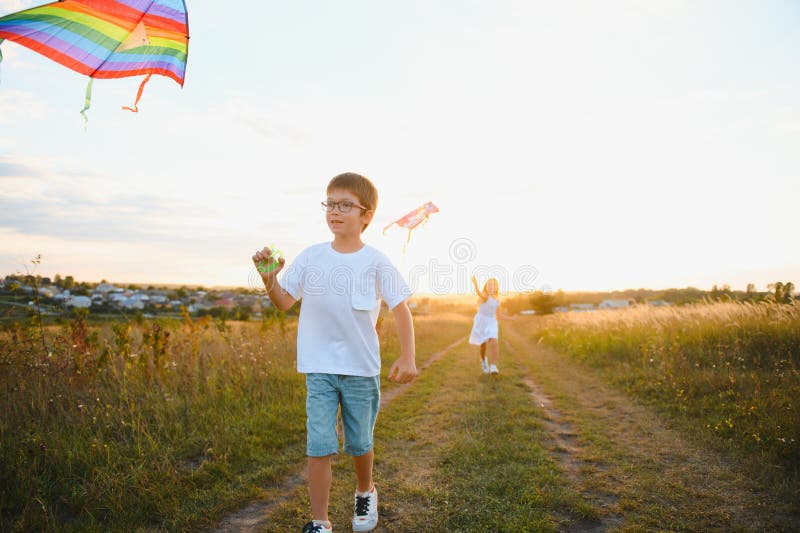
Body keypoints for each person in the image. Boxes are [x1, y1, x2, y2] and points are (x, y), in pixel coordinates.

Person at [252, 172, 417, 533]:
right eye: (330, 203)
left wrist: (408, 357)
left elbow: (401, 309)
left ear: (366, 215)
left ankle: (364, 491)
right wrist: (269, 280)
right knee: (320, 444)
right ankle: (320, 522)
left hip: (360, 369)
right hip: (319, 367)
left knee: (359, 443)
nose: (335, 211)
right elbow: (282, 302)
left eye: (345, 205)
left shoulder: (376, 261)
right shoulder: (311, 257)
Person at [469, 275, 501, 374]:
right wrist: (475, 285)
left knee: (494, 341)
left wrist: (512, 318)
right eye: (489, 285)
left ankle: (493, 366)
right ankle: (483, 361)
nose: (491, 286)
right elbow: (479, 293)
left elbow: (499, 315)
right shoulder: (485, 296)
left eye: (494, 285)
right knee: (483, 345)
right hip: (481, 321)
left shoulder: (497, 300)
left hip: (492, 322)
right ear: (486, 287)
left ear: (496, 287)